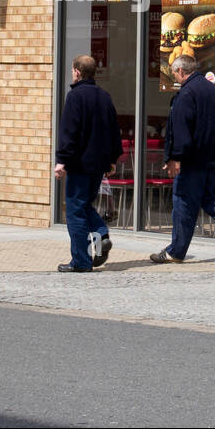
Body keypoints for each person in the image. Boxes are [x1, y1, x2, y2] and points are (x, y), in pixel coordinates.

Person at [151, 54, 215, 265]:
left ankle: (176, 252)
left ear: (181, 71)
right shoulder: (212, 91)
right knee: (212, 201)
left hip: (192, 161)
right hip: (211, 159)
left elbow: (180, 129)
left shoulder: (186, 93)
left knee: (182, 204)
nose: (174, 78)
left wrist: (175, 158)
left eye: (174, 73)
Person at [54, 55, 122, 273]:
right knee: (83, 206)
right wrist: (112, 159)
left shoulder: (75, 97)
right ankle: (101, 234)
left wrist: (61, 161)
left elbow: (69, 131)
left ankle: (81, 261)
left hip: (80, 164)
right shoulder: (104, 96)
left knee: (75, 210)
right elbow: (114, 130)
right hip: (98, 165)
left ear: (76, 71)